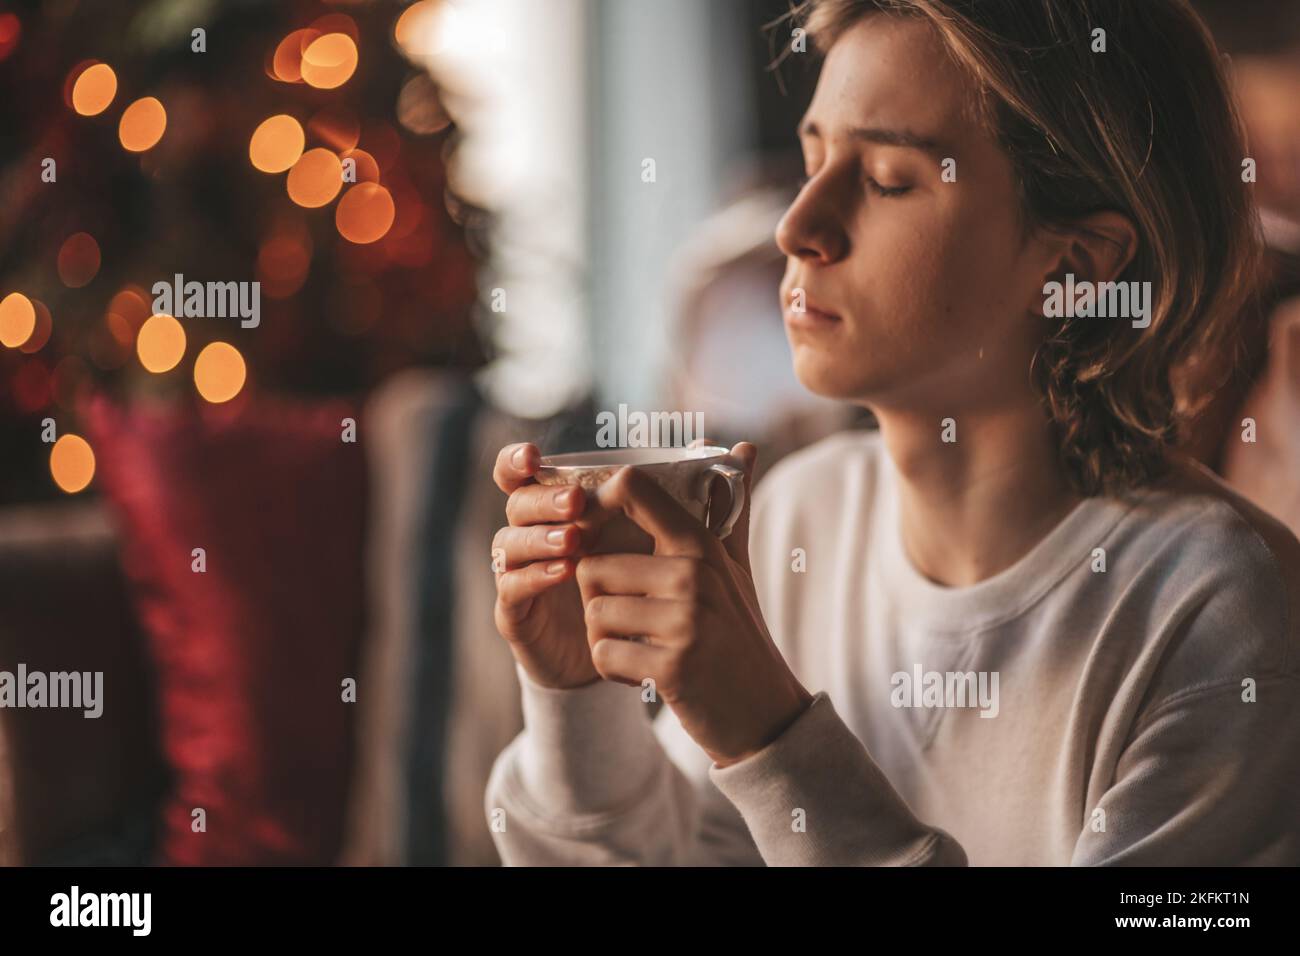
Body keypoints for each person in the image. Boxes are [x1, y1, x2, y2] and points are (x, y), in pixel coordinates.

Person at [483, 0, 1300, 865]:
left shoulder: (1225, 611)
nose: (797, 226)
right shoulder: (805, 516)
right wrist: (576, 698)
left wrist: (771, 737)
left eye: (887, 180)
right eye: (813, 158)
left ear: (1074, 266)